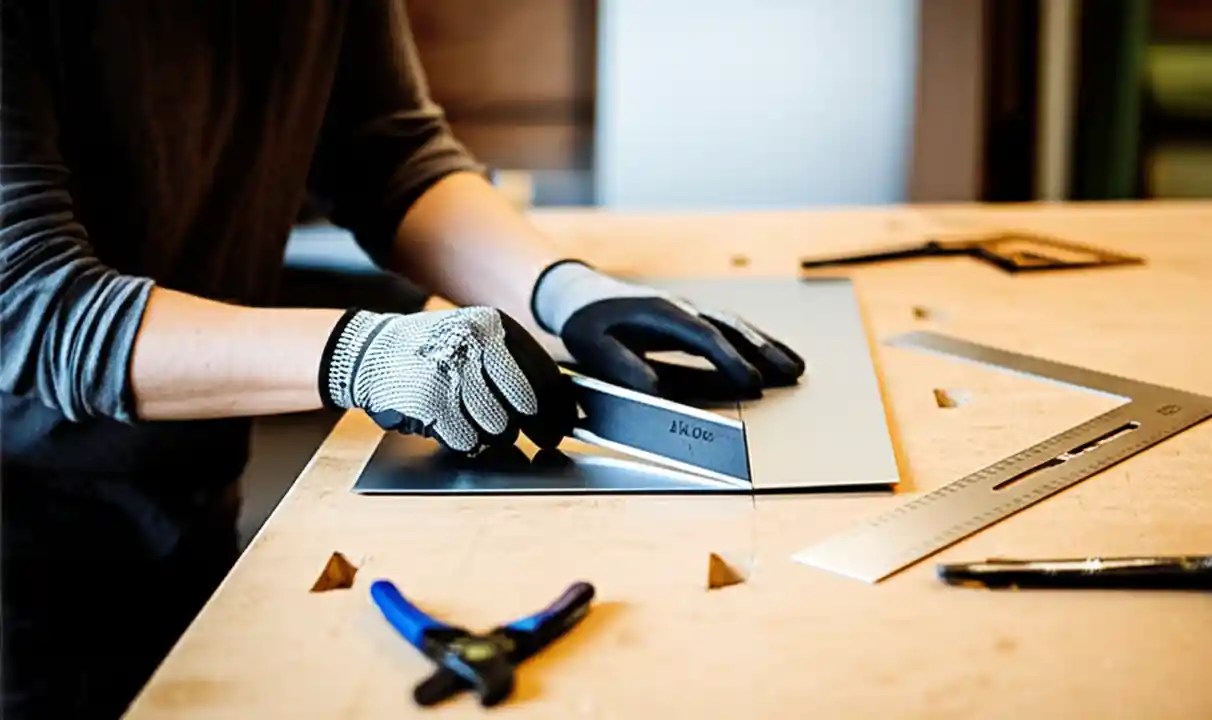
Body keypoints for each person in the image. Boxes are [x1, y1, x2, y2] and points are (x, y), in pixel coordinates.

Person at [0, 2, 805, 717]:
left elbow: (387, 153)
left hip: (184, 489)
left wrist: (561, 291)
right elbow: (26, 305)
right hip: (22, 556)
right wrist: (364, 355)